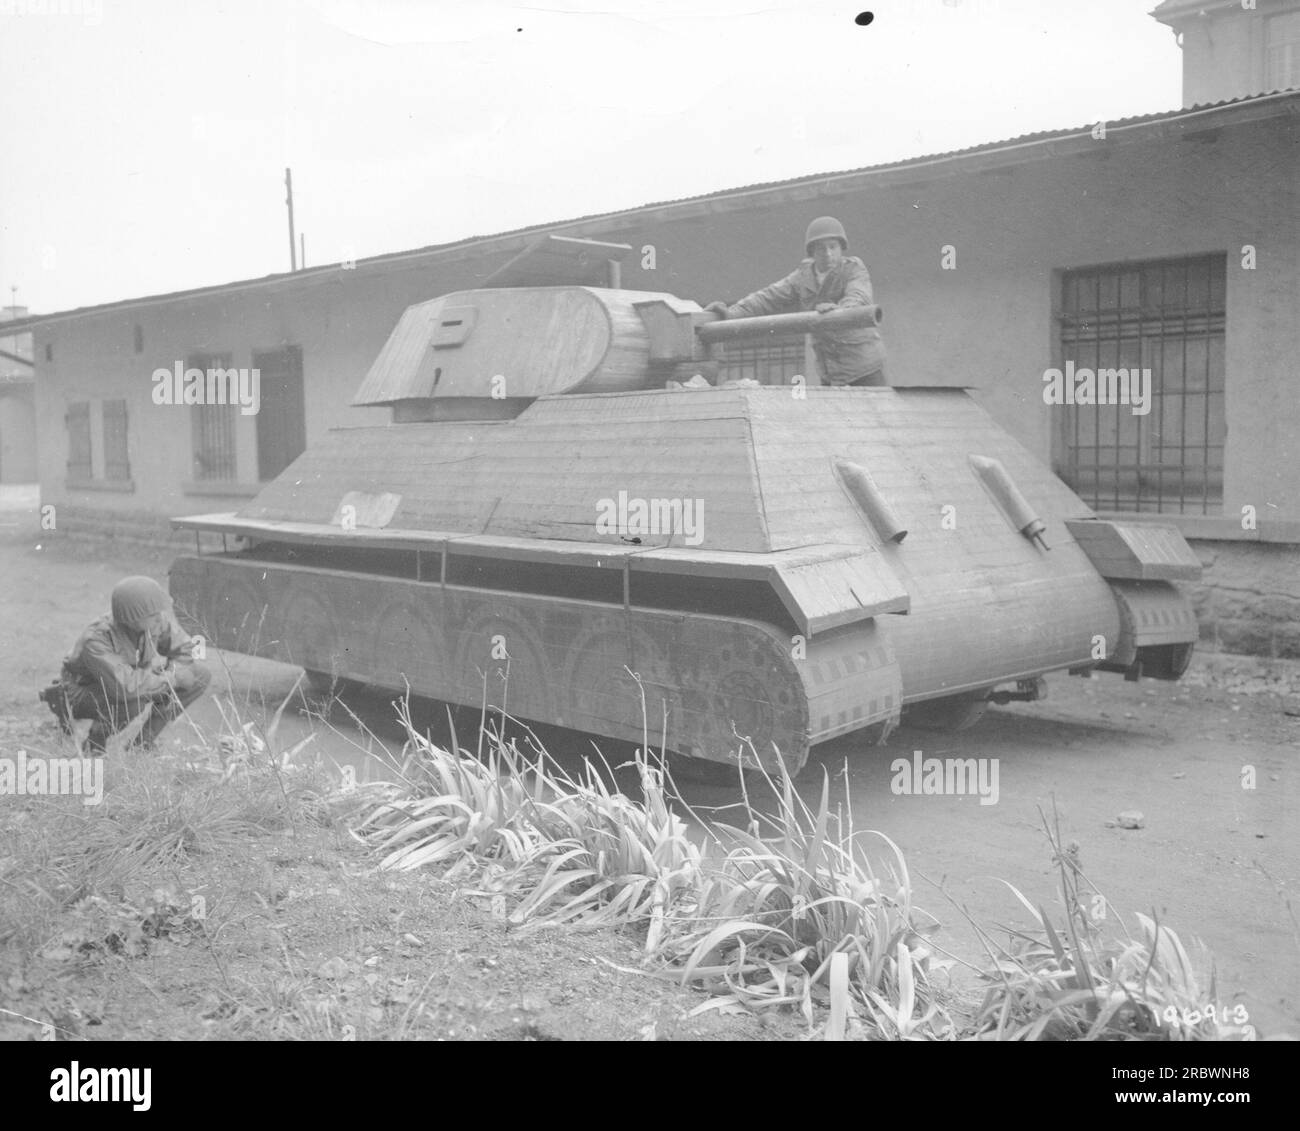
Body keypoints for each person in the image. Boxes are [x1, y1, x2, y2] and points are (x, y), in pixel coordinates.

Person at [40, 576, 212, 755]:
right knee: (133, 702)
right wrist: (173, 678)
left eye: (159, 612)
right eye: (152, 615)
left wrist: (177, 670)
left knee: (200, 675)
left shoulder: (153, 622)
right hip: (82, 690)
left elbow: (184, 648)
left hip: (130, 679)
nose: (159, 618)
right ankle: (95, 743)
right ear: (130, 618)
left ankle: (142, 744)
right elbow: (126, 687)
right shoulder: (96, 639)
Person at [706, 216, 887, 386]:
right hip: (830, 373)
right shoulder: (803, 277)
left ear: (842, 248)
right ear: (812, 253)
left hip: (865, 368)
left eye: (833, 247)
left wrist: (840, 312)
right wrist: (732, 312)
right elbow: (768, 297)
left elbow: (858, 296)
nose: (828, 254)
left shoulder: (854, 269)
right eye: (820, 248)